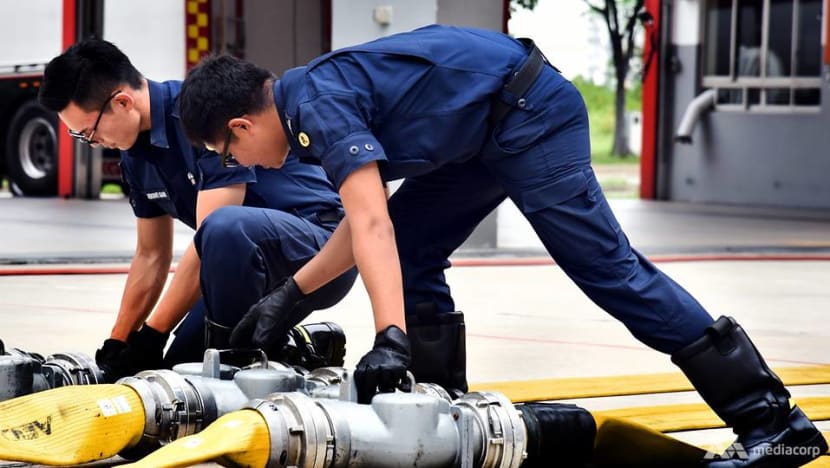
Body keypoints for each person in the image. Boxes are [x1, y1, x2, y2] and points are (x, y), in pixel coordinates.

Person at [178, 25, 827, 466]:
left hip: (528, 114)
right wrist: (290, 296)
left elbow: (371, 224)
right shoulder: (307, 97)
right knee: (416, 247)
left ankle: (774, 425)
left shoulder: (312, 103)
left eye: (229, 152)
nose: (246, 164)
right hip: (485, 132)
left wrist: (389, 336)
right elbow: (369, 221)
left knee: (608, 271)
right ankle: (436, 419)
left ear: (240, 124)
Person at [38, 40, 357, 381]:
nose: (93, 143)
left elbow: (212, 236)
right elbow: (150, 255)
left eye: (89, 132)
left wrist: (153, 333)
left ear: (122, 102)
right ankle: (286, 345)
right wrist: (120, 341)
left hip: (319, 251)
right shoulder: (134, 154)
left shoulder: (200, 116)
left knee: (191, 370)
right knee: (175, 369)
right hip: (239, 265)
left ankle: (280, 348)